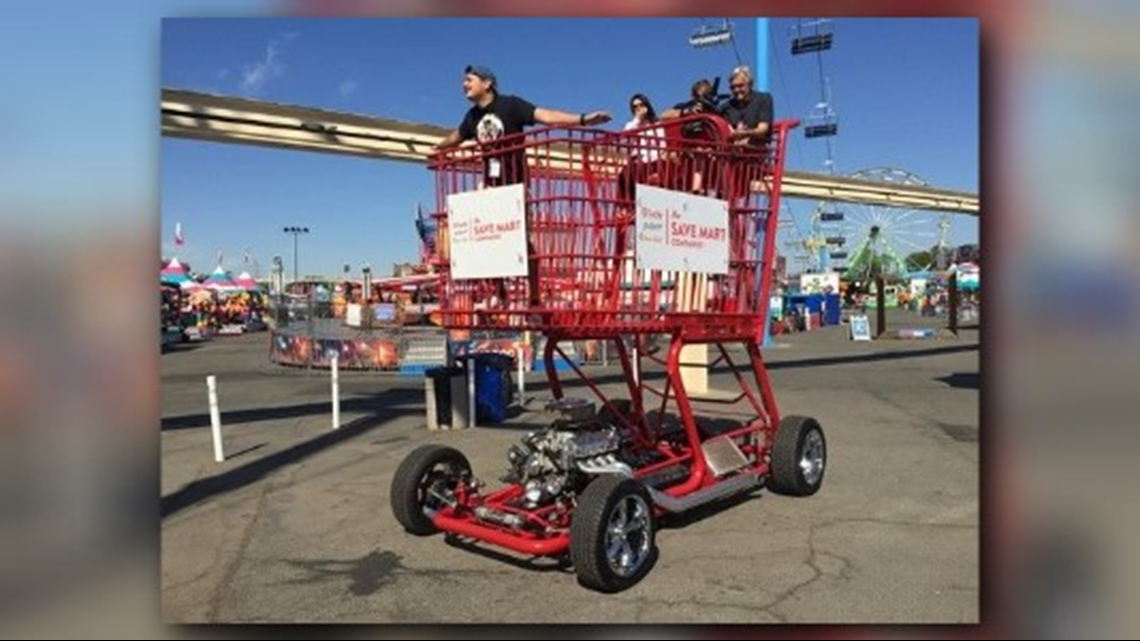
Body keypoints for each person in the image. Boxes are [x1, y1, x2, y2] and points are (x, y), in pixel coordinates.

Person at [434, 64, 612, 186]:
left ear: (487, 83)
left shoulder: (511, 105)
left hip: (516, 184)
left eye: (469, 80)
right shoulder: (472, 116)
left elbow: (546, 115)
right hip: (491, 184)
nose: (464, 84)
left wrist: (583, 119)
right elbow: (456, 136)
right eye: (464, 81)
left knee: (519, 236)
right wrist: (437, 148)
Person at [719, 65, 773, 147]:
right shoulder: (725, 107)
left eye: (740, 86)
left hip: (756, 148)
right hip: (731, 150)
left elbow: (762, 129)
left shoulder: (763, 99)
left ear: (750, 84)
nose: (736, 90)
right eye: (733, 87)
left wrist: (743, 134)